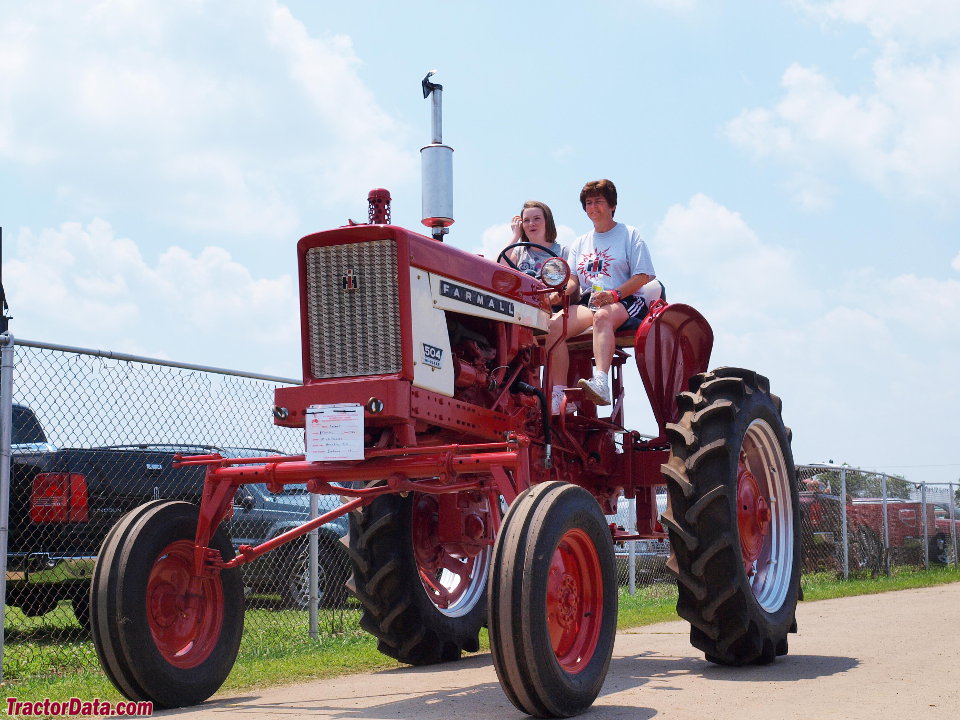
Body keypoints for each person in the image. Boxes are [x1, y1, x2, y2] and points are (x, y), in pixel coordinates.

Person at [545, 179, 655, 412]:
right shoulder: (580, 242)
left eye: (598, 201)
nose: (593, 207)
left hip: (625, 299)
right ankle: (560, 395)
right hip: (591, 301)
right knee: (554, 326)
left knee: (602, 317)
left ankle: (601, 382)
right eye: (588, 203)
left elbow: (644, 275)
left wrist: (614, 294)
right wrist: (558, 294)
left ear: (612, 205)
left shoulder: (629, 234)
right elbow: (574, 279)